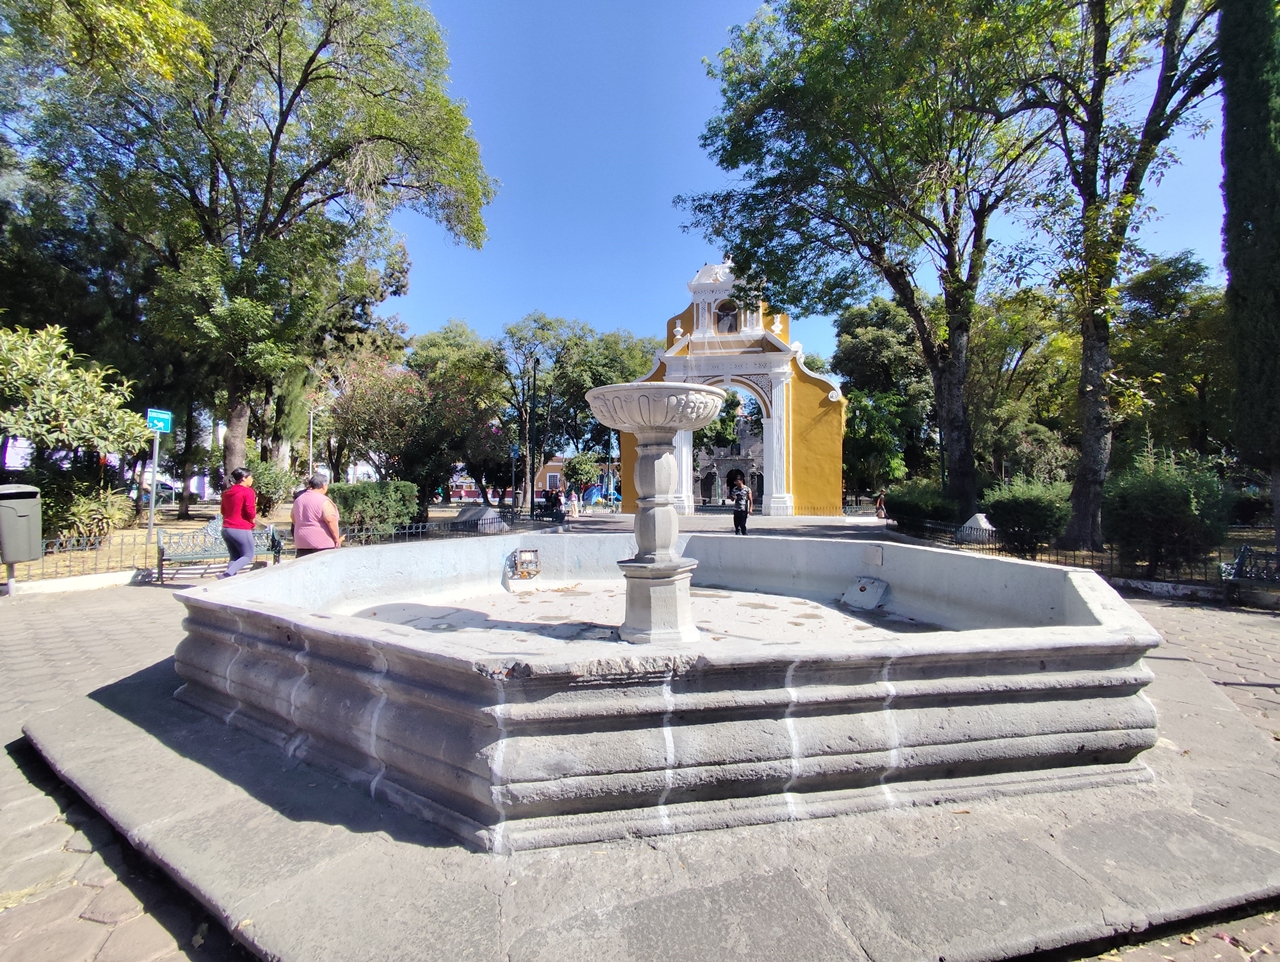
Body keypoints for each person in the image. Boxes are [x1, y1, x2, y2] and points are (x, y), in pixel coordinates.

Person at [218, 467, 258, 578]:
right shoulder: (248, 491)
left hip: (226, 528)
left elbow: (223, 510)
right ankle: (227, 575)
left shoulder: (227, 492)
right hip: (240, 528)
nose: (252, 479)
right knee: (248, 555)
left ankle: (227, 579)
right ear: (244, 478)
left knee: (235, 557)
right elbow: (250, 510)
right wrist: (252, 520)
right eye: (250, 477)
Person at [291, 473, 343, 557]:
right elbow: (330, 520)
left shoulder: (298, 500)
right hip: (322, 543)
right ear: (323, 486)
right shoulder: (324, 500)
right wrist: (336, 539)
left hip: (301, 542)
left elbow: (293, 517)